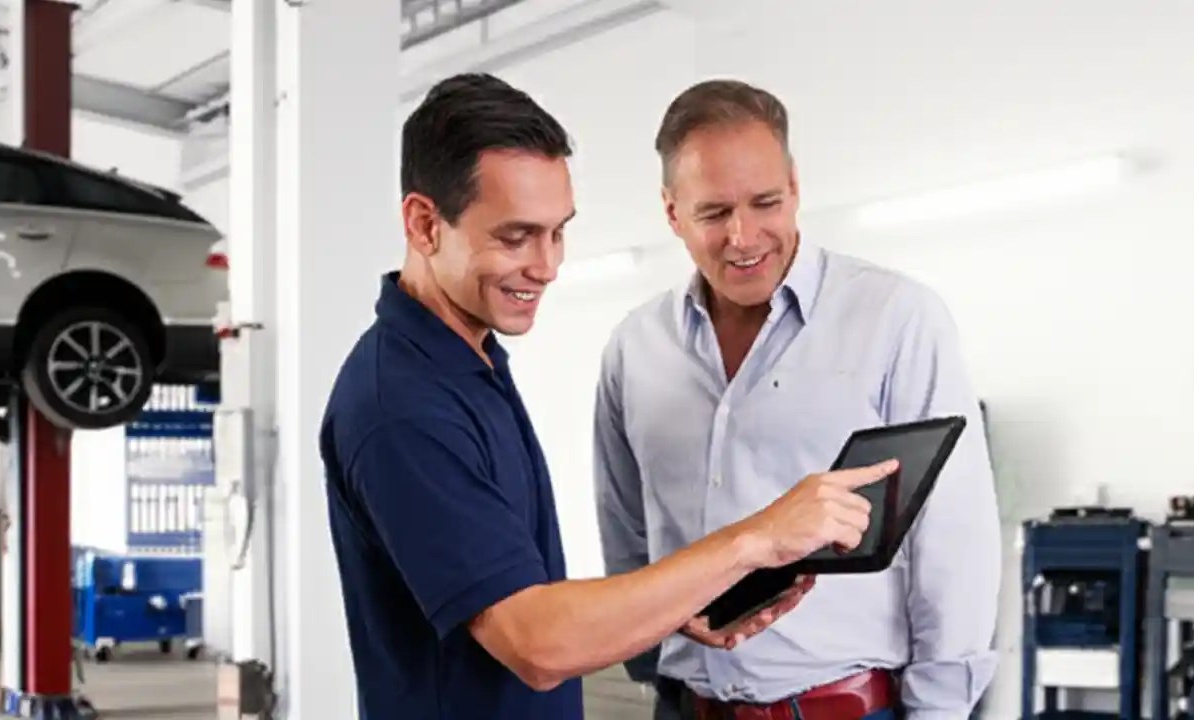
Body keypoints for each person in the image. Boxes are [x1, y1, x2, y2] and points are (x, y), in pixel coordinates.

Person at [318, 72, 902, 720]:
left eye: (557, 231)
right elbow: (537, 641)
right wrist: (758, 539)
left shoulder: (468, 363)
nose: (546, 265)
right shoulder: (401, 408)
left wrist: (675, 607)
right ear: (425, 223)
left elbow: (527, 592)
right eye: (516, 236)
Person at [593, 79, 1002, 720]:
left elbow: (954, 539)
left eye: (765, 203)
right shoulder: (634, 349)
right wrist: (652, 660)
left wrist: (941, 710)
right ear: (672, 213)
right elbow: (626, 531)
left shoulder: (895, 319)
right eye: (714, 213)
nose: (745, 236)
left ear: (795, 186)